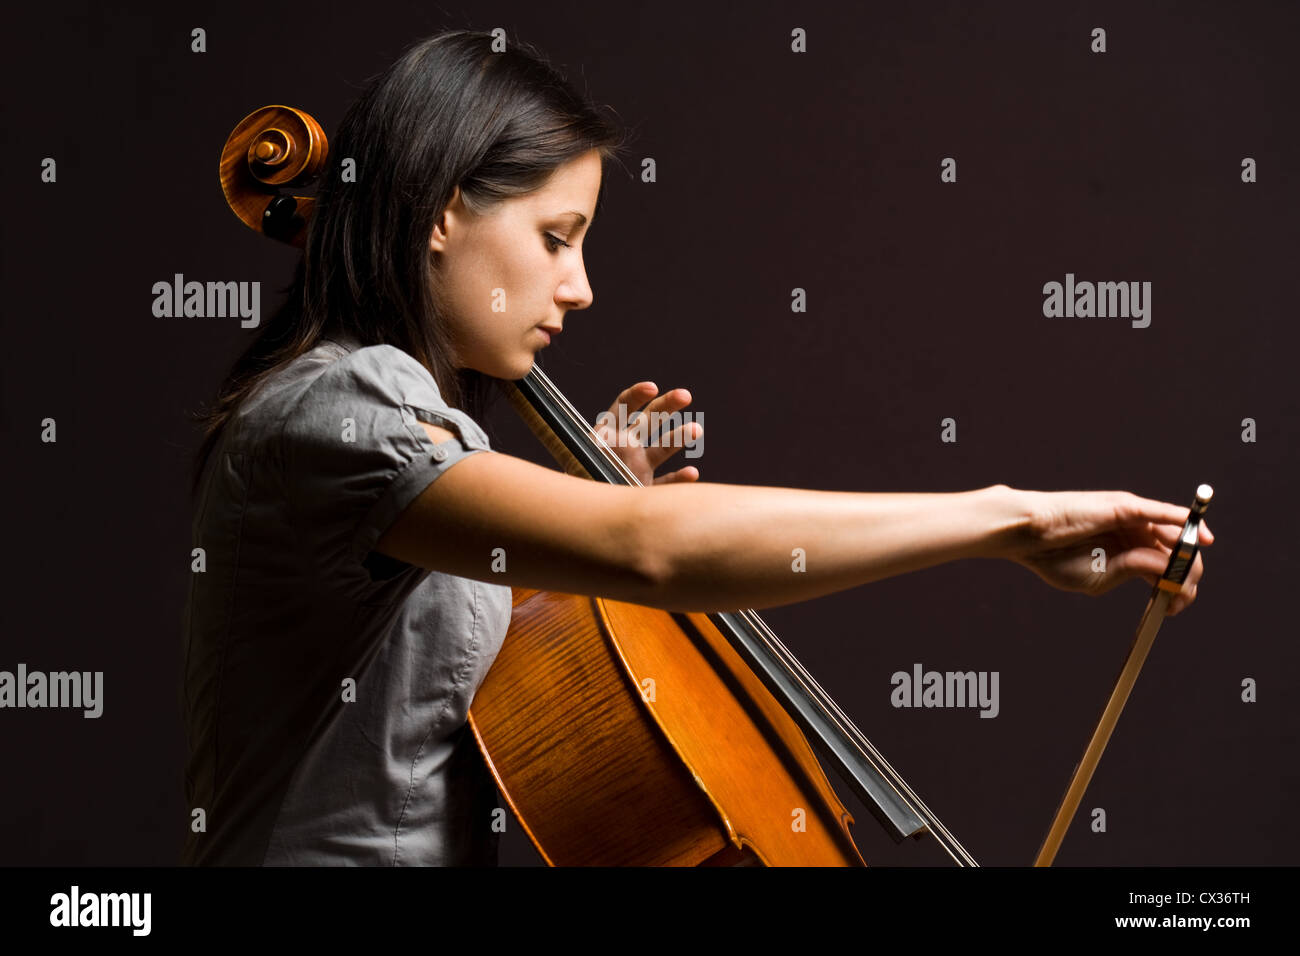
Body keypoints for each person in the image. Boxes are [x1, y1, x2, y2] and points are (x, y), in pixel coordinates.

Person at [180, 29, 1211, 867]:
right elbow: (654, 551)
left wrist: (581, 526)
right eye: (555, 235)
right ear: (444, 209)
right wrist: (1012, 516)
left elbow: (453, 662)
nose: (579, 287)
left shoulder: (402, 438)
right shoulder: (342, 403)